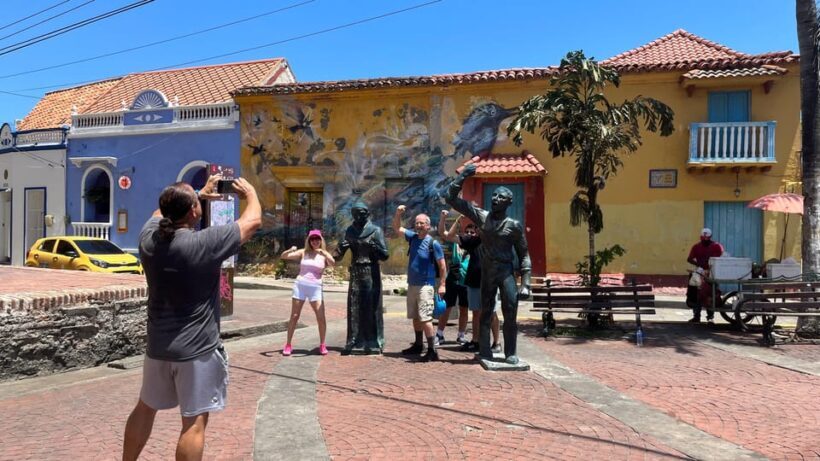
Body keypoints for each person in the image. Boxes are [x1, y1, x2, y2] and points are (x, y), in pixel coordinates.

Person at [123, 175, 261, 460]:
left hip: (157, 348)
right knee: (194, 422)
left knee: (144, 408)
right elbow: (252, 222)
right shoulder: (204, 243)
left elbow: (157, 213)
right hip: (197, 351)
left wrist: (198, 193)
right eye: (196, 203)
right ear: (194, 212)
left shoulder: (149, 239)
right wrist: (250, 193)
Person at [444, 164, 531, 364]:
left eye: (501, 197)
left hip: (506, 272)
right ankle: (484, 350)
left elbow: (524, 254)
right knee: (485, 311)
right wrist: (463, 175)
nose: (495, 199)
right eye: (494, 196)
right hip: (487, 271)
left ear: (509, 202)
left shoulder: (514, 226)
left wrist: (526, 283)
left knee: (510, 311)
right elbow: (450, 198)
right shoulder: (481, 216)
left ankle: (510, 352)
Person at [439, 212, 502, 353]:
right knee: (476, 313)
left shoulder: (495, 241)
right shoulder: (472, 241)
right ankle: (476, 341)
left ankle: (497, 343)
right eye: (478, 227)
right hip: (473, 283)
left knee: (492, 312)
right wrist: (458, 220)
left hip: (490, 283)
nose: (480, 229)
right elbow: (448, 235)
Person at [392, 205, 447, 362]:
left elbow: (442, 266)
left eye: (422, 223)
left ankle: (432, 351)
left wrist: (443, 284)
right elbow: (397, 228)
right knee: (415, 316)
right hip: (412, 284)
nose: (418, 225)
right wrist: (398, 214)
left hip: (426, 286)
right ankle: (418, 344)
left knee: (425, 319)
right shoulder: (412, 238)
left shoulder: (433, 244)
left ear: (428, 226)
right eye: (417, 223)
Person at [334, 200, 389, 355]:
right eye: (355, 214)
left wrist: (375, 247)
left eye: (361, 214)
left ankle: (373, 341)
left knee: (371, 307)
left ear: (367, 214)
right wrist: (340, 249)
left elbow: (385, 255)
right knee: (355, 307)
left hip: (371, 271)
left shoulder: (376, 230)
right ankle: (355, 340)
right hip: (356, 273)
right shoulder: (349, 231)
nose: (358, 216)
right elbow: (337, 256)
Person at [280, 229, 335, 356]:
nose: (315, 241)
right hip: (300, 285)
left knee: (320, 317)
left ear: (321, 240)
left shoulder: (323, 254)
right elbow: (284, 256)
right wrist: (290, 250)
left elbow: (333, 264)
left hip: (315, 287)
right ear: (309, 241)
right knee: (294, 316)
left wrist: (325, 253)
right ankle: (288, 344)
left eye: (317, 239)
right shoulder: (303, 252)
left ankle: (322, 344)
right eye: (312, 239)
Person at [434, 209, 470, 346]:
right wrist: (453, 220)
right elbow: (442, 232)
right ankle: (439, 334)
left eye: (471, 232)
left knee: (464, 308)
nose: (468, 234)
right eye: (466, 231)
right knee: (447, 307)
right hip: (453, 279)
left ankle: (461, 335)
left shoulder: (473, 245)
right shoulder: (455, 241)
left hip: (466, 281)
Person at [686, 227, 724, 324]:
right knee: (697, 295)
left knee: (710, 294)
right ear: (701, 237)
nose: (705, 240)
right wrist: (699, 265)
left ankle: (710, 316)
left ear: (710, 237)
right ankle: (696, 316)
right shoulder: (696, 247)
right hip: (700, 272)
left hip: (713, 273)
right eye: (703, 238)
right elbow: (689, 259)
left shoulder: (717, 246)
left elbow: (721, 258)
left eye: (707, 238)